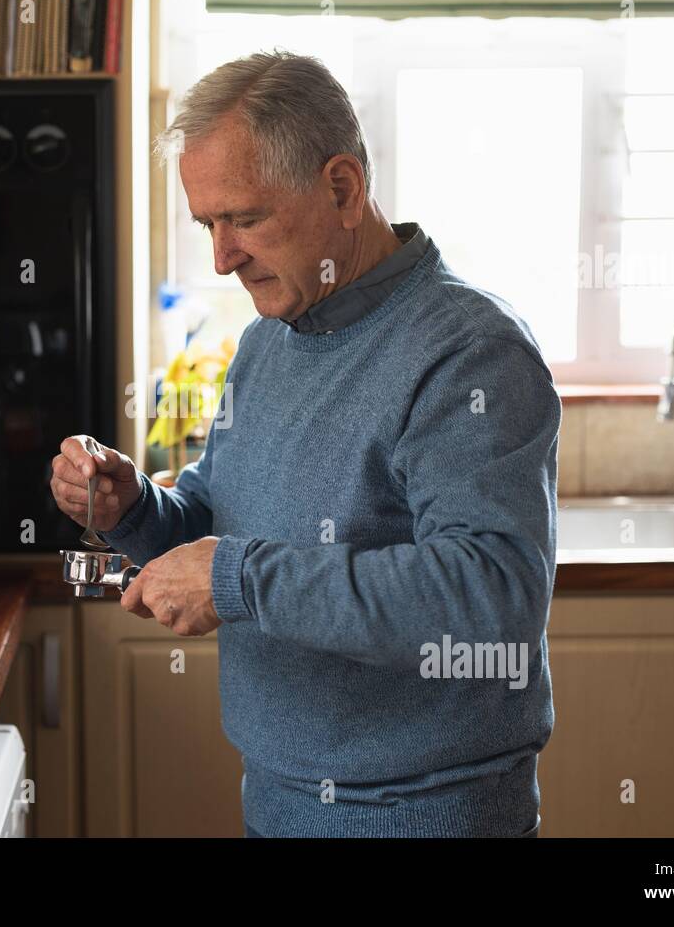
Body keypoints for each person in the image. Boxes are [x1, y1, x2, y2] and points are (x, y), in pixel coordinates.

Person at [50, 50, 559, 838]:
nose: (222, 257)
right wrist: (135, 509)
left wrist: (238, 578)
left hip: (425, 820)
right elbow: (221, 522)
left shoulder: (469, 352)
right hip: (276, 805)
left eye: (245, 219)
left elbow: (489, 602)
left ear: (343, 189)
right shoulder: (269, 340)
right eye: (207, 225)